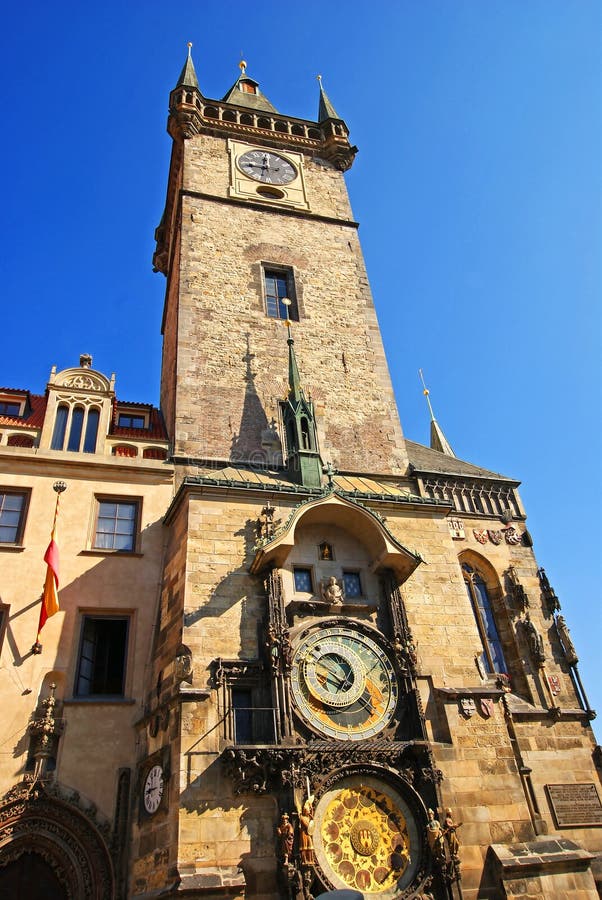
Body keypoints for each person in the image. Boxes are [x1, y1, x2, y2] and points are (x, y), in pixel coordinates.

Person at [298, 798, 315, 865]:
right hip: (304, 834)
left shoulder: (308, 817)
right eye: (308, 811)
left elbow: (312, 820)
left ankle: (311, 860)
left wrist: (312, 810)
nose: (309, 812)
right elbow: (308, 826)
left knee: (310, 847)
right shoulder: (302, 818)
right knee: (304, 848)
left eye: (309, 811)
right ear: (305, 811)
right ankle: (304, 860)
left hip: (307, 833)